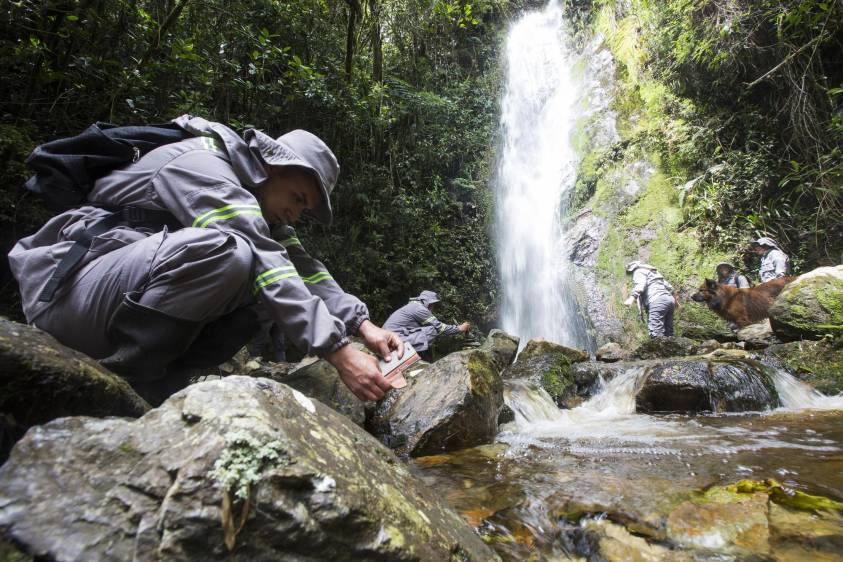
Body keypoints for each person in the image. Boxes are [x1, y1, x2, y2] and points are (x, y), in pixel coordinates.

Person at [8, 115, 403, 405]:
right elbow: (265, 257)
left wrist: (363, 325)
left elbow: (303, 267)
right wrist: (338, 351)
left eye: (305, 209)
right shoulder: (204, 166)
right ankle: (124, 385)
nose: (296, 215)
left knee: (266, 281)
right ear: (271, 165)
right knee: (233, 254)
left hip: (112, 297)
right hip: (69, 297)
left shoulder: (258, 205)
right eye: (298, 198)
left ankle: (163, 387)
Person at [383, 290, 470, 355]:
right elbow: (440, 328)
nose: (433, 307)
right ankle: (408, 355)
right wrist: (459, 328)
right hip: (393, 340)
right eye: (432, 304)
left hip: (390, 338)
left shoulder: (413, 306)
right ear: (426, 302)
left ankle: (410, 354)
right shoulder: (419, 309)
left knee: (425, 330)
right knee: (433, 330)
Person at [623, 261, 677, 337]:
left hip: (657, 300)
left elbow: (640, 285)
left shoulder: (638, 271)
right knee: (669, 332)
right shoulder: (653, 272)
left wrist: (631, 298)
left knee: (656, 332)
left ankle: (659, 348)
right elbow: (670, 288)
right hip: (669, 300)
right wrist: (675, 302)